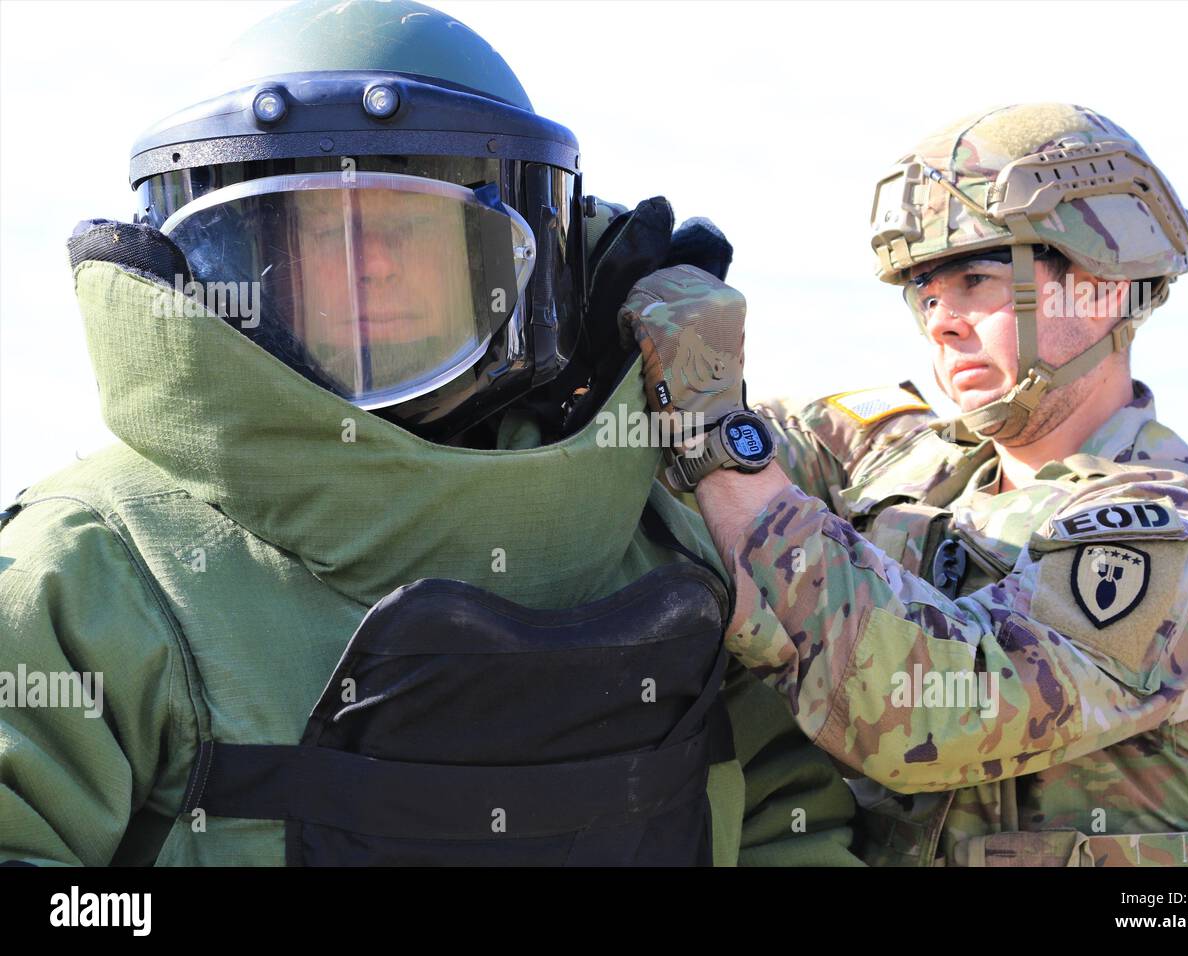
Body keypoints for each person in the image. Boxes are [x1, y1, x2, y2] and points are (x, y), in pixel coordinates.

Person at [0, 0, 861, 866]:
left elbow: (790, 818)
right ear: (239, 264)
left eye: (411, 232)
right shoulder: (98, 568)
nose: (369, 269)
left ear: (522, 266)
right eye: (321, 237)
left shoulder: (671, 523)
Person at [623, 103, 1188, 866]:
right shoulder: (912, 460)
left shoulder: (1180, 546)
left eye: (976, 279)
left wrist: (712, 429)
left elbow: (923, 709)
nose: (942, 321)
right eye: (926, 292)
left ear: (1103, 287)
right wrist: (622, 353)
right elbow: (732, 465)